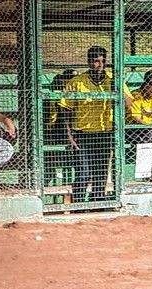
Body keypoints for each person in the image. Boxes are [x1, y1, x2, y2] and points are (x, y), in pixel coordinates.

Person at [61, 46, 128, 202]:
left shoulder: (113, 79)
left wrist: (118, 86)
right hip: (82, 134)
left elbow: (129, 104)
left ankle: (97, 202)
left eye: (103, 61)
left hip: (105, 133)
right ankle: (78, 204)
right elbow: (65, 110)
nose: (100, 65)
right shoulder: (77, 82)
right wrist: (69, 136)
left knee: (101, 174)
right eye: (96, 61)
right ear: (89, 62)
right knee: (83, 173)